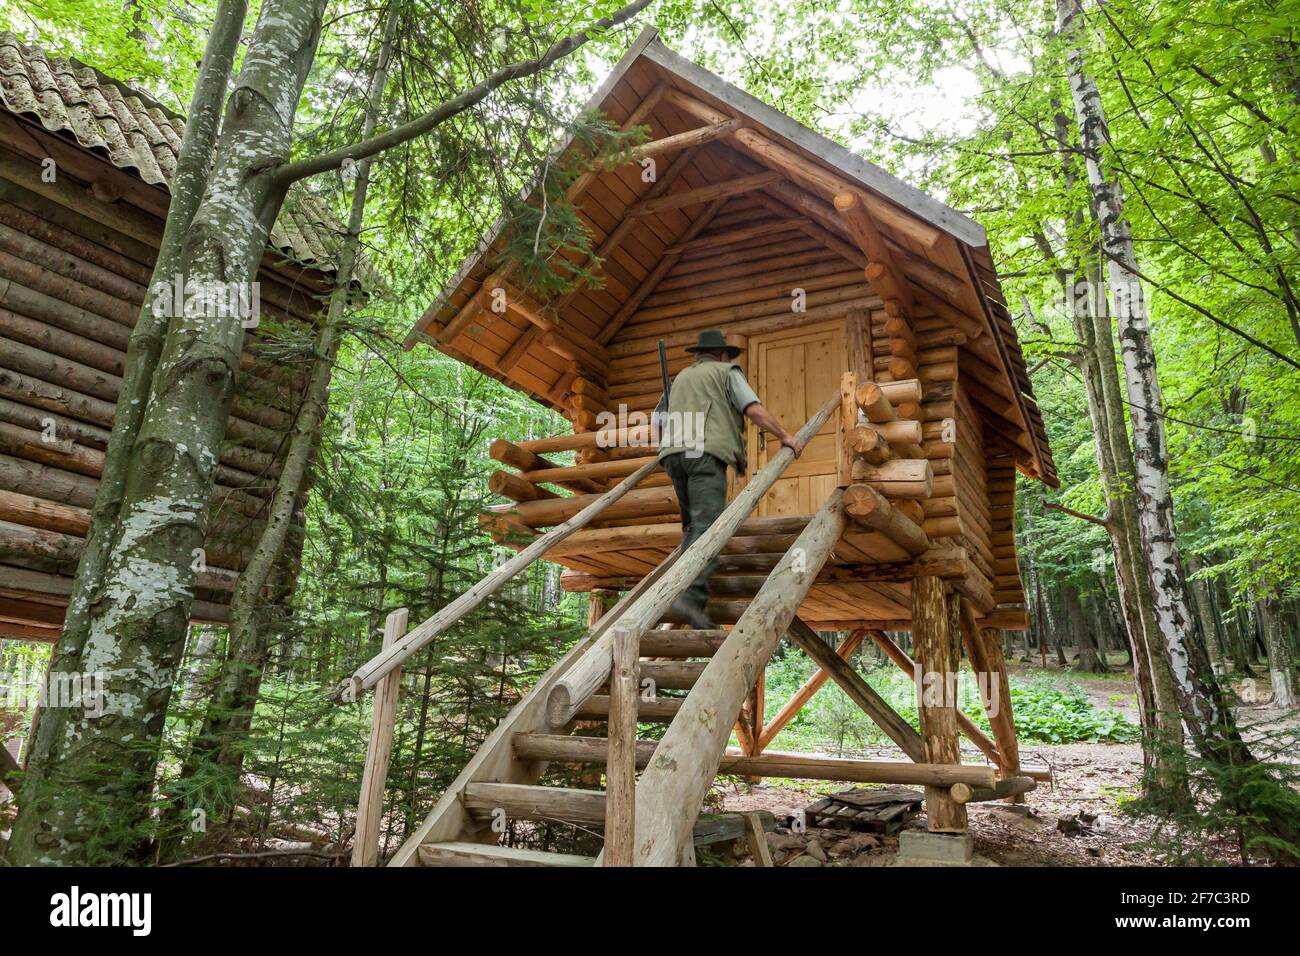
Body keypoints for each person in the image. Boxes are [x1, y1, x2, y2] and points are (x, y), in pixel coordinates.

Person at [656, 328, 804, 629]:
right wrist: (785, 436)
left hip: (674, 456)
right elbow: (753, 410)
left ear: (698, 355)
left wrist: (668, 447)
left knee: (692, 527)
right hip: (705, 454)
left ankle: (682, 590)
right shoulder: (726, 372)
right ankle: (690, 598)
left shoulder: (680, 379)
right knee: (708, 528)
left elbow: (659, 418)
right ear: (722, 354)